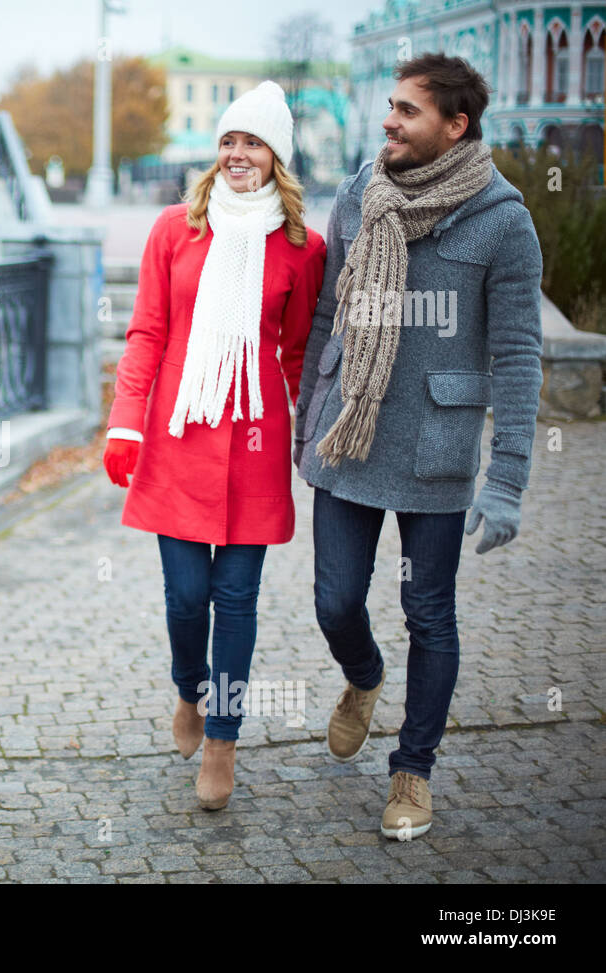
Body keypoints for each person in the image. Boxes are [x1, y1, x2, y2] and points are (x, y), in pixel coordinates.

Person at [292, 53, 543, 840]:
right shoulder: (360, 192)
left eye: (407, 111)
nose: (388, 121)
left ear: (455, 125)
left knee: (428, 612)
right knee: (335, 601)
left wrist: (506, 481)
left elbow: (517, 354)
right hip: (348, 430)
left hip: (437, 445)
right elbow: (329, 315)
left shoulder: (504, 219)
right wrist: (308, 416)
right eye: (390, 106)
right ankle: (362, 678)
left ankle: (414, 767)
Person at [103, 80, 327, 811]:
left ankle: (223, 738)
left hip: (255, 442)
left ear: (276, 160)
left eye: (252, 143)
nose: (237, 153)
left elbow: (298, 354)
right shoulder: (175, 228)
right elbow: (147, 332)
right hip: (177, 436)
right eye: (229, 140)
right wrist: (125, 420)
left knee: (236, 599)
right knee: (185, 597)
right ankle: (187, 690)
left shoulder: (302, 247)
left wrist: (316, 440)